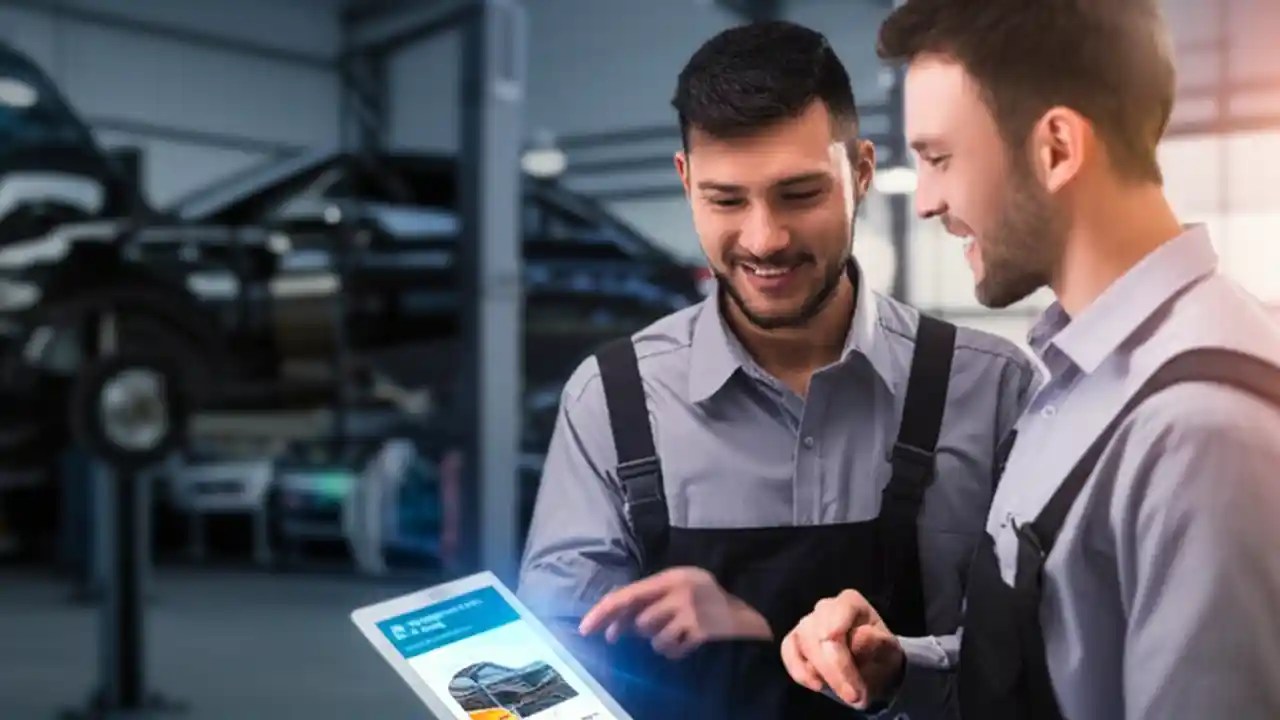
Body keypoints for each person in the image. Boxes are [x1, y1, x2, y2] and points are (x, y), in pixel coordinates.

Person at [516, 20, 1038, 720]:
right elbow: (554, 670)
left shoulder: (992, 389)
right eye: (726, 199)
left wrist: (898, 666)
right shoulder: (612, 402)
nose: (764, 240)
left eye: (800, 194)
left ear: (860, 173)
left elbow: (1040, 664)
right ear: (686, 181)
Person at [780, 2, 1280, 719]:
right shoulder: (1079, 377)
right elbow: (1062, 663)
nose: (925, 201)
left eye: (939, 158)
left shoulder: (1201, 430)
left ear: (1056, 149)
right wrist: (902, 669)